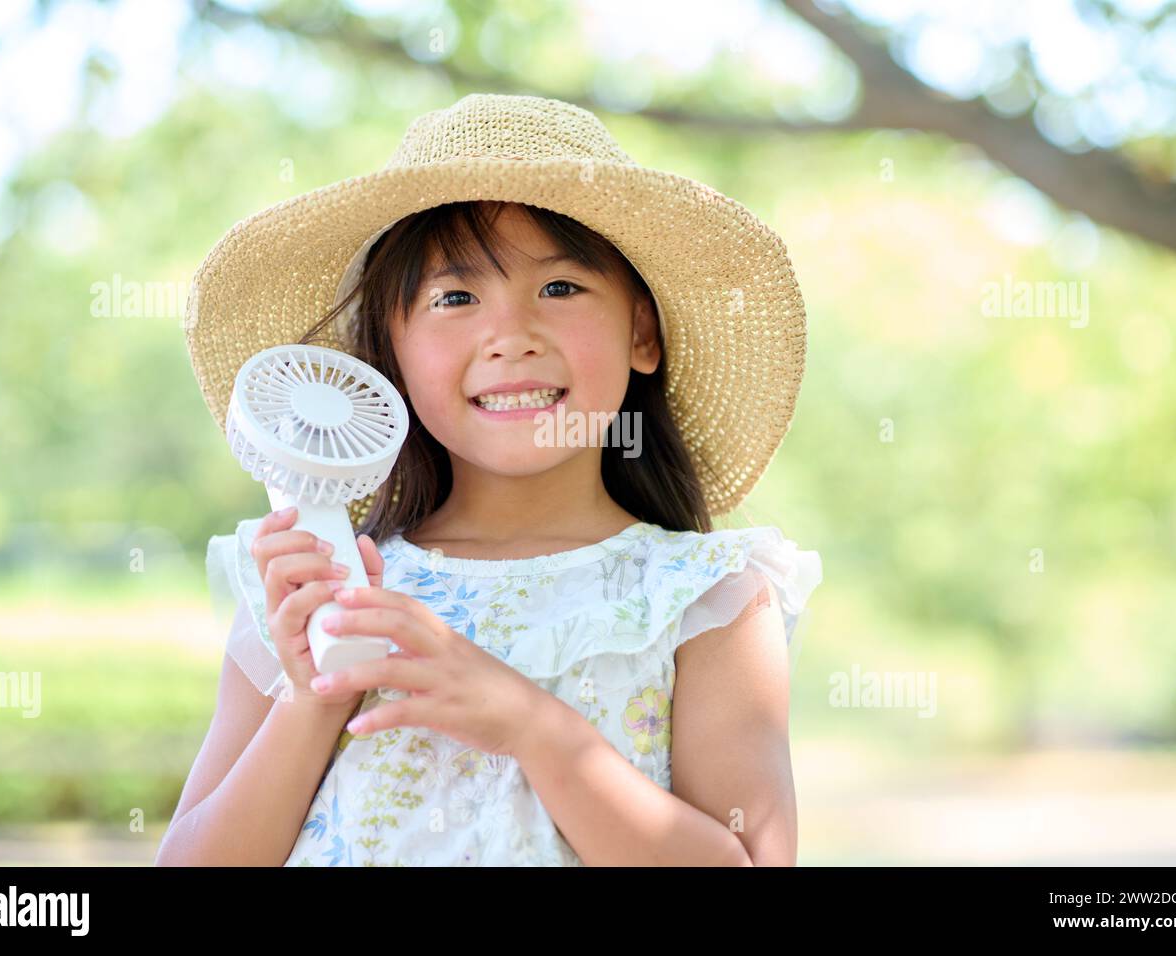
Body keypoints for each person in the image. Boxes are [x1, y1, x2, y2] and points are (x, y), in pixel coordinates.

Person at [157, 93, 822, 867]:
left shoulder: (705, 596)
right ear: (389, 354)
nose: (510, 336)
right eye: (456, 298)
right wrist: (313, 692)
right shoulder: (310, 594)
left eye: (560, 288)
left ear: (642, 331)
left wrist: (532, 727)